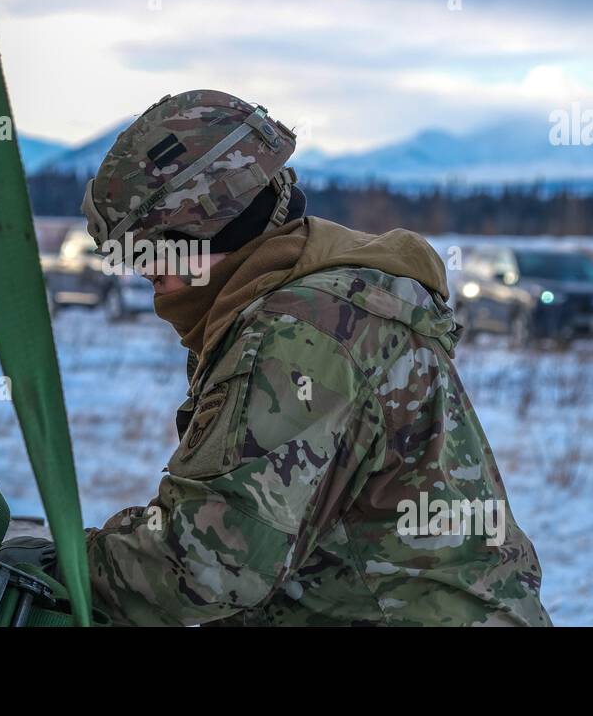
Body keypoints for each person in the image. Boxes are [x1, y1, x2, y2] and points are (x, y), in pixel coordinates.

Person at [73, 89, 550, 626]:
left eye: (150, 258)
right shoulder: (320, 298)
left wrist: (65, 563)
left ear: (202, 234)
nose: (149, 281)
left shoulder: (305, 332)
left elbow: (210, 566)